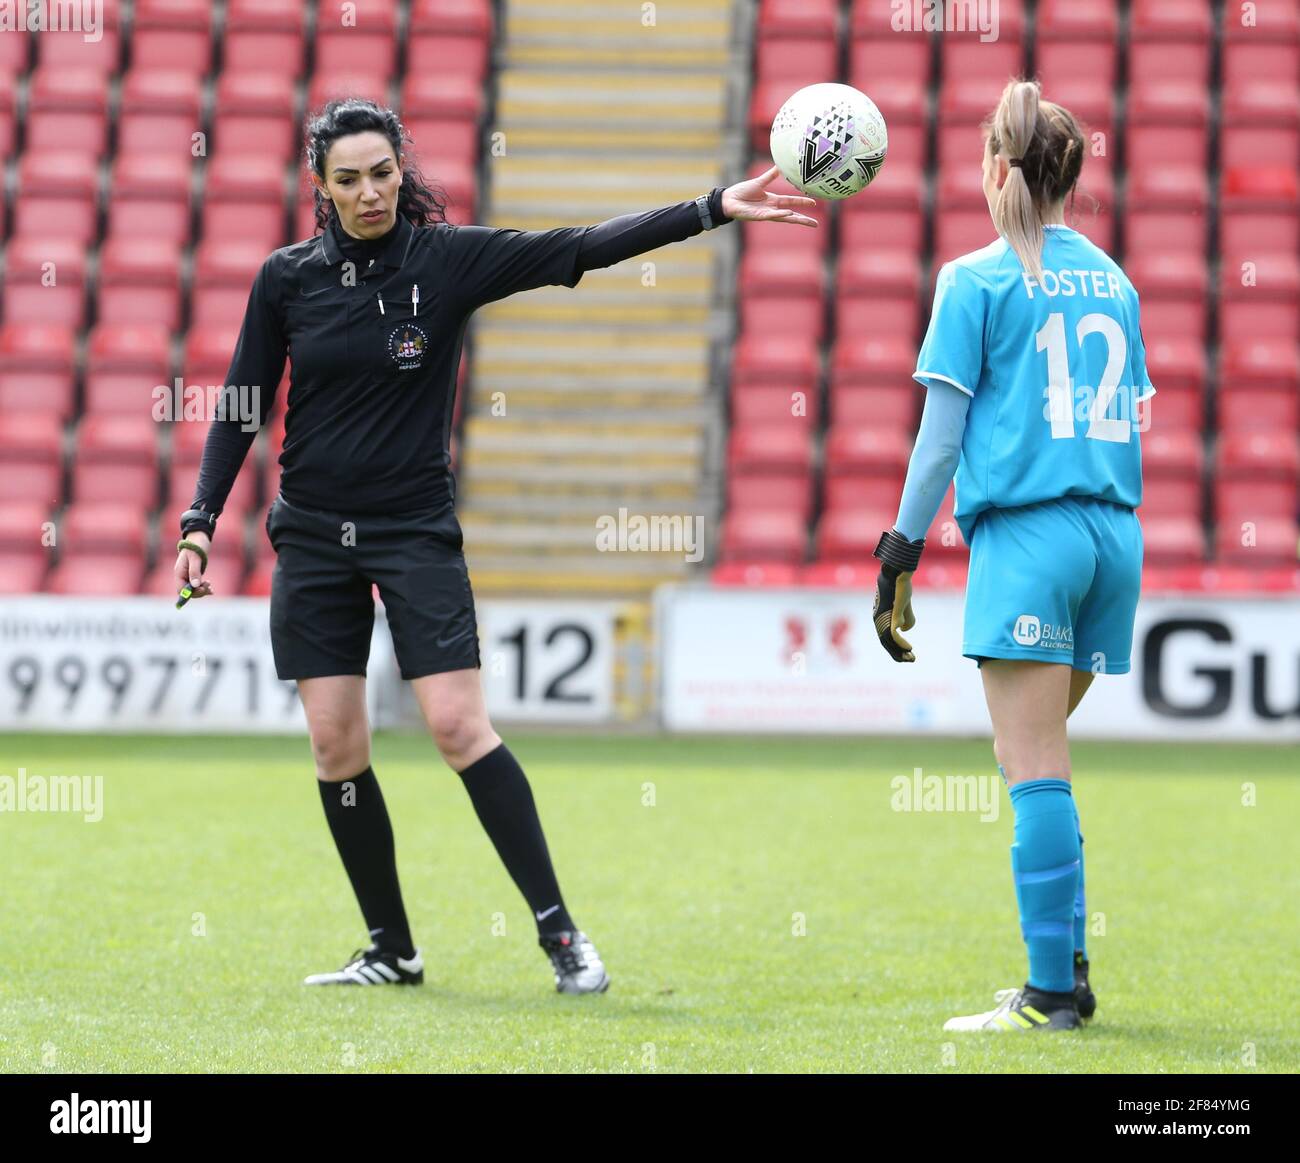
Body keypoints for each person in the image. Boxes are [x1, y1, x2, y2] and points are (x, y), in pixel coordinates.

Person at [172, 98, 817, 994]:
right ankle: (391, 946)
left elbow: (580, 246)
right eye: (348, 179)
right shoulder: (286, 279)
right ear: (319, 186)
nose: (369, 192)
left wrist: (710, 207)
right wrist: (200, 519)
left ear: (403, 168)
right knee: (334, 746)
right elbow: (242, 400)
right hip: (314, 536)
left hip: (412, 529)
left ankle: (561, 933)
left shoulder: (447, 261)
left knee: (455, 725)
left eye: (383, 173)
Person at [871, 80, 1152, 1031]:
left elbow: (939, 440)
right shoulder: (1115, 278)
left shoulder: (975, 278)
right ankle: (1065, 971)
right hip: (1115, 535)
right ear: (1070, 177)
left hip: (1030, 535)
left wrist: (899, 551)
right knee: (1044, 755)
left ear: (996, 169)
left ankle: (1045, 998)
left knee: (1029, 761)